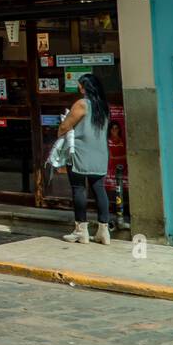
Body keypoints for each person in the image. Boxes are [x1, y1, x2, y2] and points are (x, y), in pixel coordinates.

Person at [58, 73, 112, 245]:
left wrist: (59, 136)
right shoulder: (104, 106)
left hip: (80, 153)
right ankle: (104, 231)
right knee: (99, 189)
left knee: (78, 189)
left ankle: (81, 231)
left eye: (80, 85)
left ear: (85, 87)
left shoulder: (82, 104)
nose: (79, 88)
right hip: (100, 153)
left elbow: (66, 125)